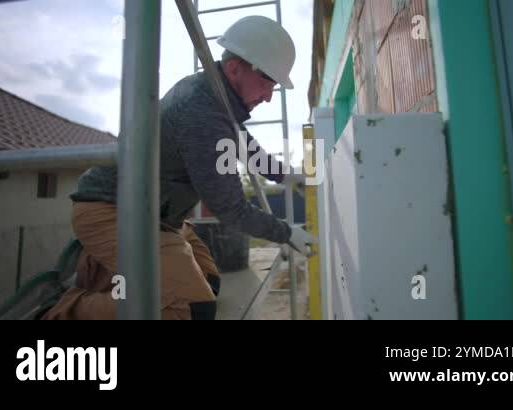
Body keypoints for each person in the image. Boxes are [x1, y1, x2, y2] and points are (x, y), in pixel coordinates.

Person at [42, 16, 317, 320]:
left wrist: (288, 175)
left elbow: (247, 149)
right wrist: (285, 233)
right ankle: (65, 310)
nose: (268, 96)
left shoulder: (217, 100)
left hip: (157, 216)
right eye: (267, 81)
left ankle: (104, 277)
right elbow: (231, 209)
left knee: (208, 285)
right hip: (112, 210)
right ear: (236, 67)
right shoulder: (203, 111)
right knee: (190, 308)